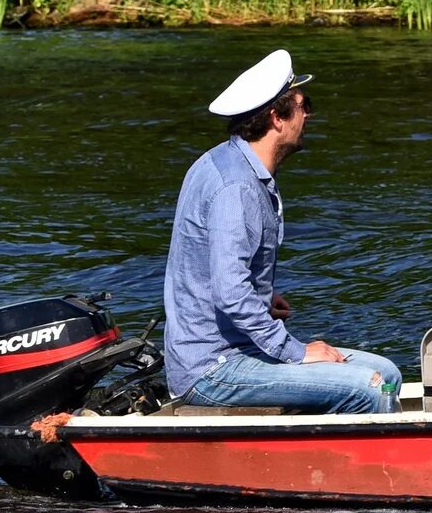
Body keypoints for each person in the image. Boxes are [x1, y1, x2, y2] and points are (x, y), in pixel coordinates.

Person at [161, 48, 403, 413]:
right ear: (277, 117)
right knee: (371, 388)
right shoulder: (237, 188)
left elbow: (217, 269)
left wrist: (262, 294)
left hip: (235, 346)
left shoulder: (225, 161)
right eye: (305, 105)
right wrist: (297, 352)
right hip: (214, 366)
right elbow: (228, 293)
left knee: (387, 373)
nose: (309, 114)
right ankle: (347, 469)